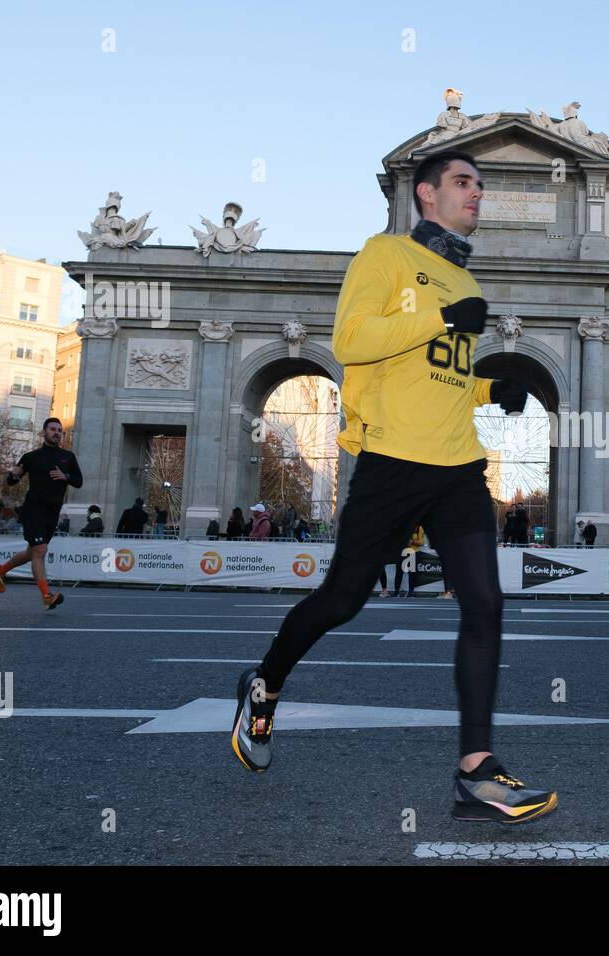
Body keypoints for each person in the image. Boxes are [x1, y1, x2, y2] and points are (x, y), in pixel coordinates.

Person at [230, 150, 555, 822]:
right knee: (343, 599)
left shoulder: (462, 276)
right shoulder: (382, 256)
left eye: (482, 185)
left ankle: (477, 771)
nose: (479, 194)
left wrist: (498, 387)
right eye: (465, 183)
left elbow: (443, 376)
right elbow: (351, 341)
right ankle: (264, 685)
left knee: (486, 605)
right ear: (427, 195)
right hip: (392, 460)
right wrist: (443, 319)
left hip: (459, 467)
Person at [0, 417, 82, 610]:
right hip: (33, 509)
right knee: (40, 550)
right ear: (44, 432)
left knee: (33, 552)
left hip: (53, 511)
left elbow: (79, 481)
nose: (57, 433)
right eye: (53, 429)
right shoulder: (31, 457)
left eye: (59, 430)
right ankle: (46, 595)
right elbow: (12, 481)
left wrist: (66, 476)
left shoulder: (68, 457)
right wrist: (13, 474)